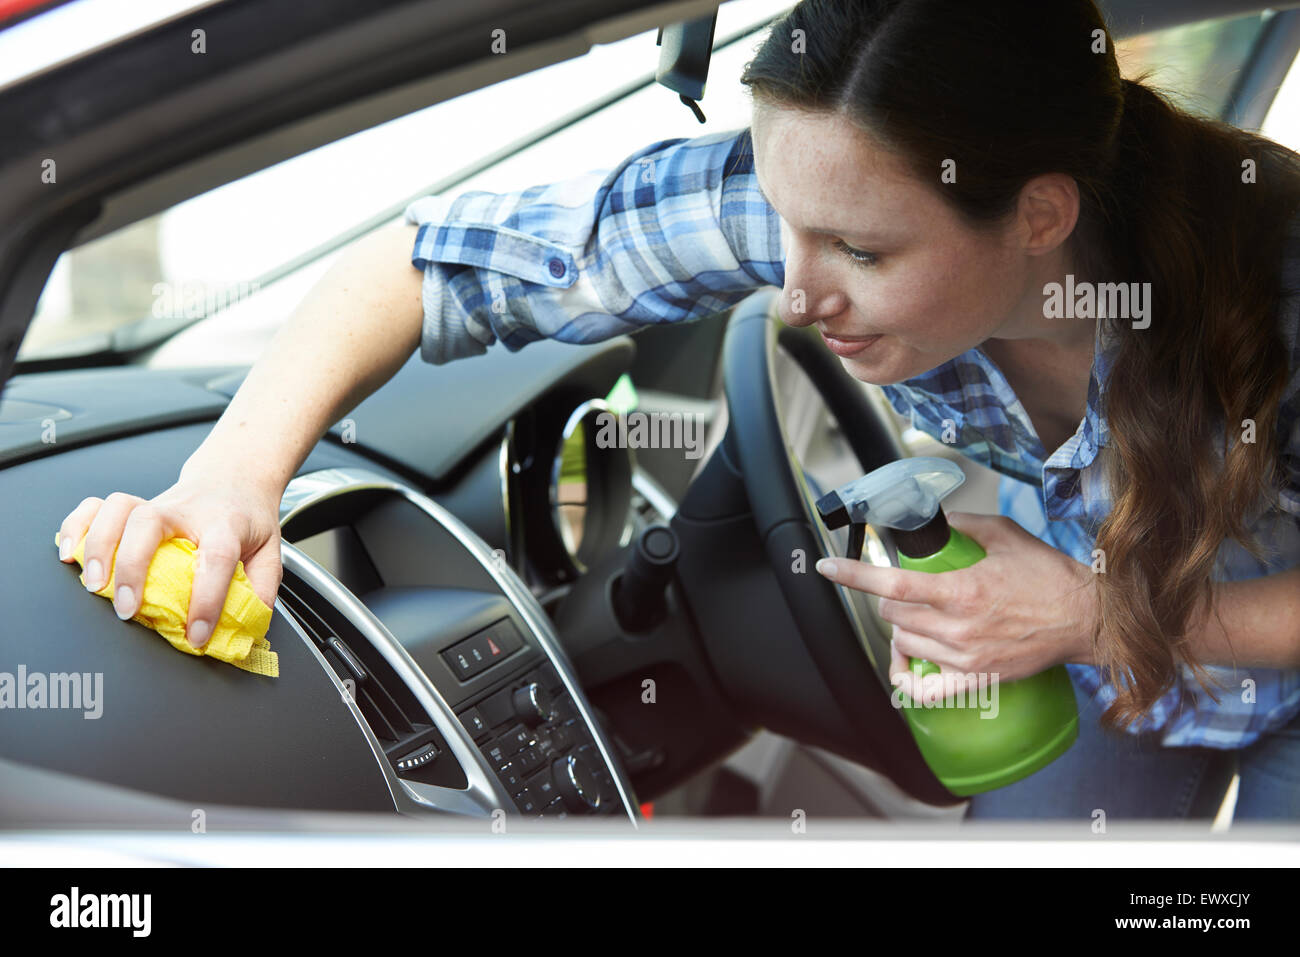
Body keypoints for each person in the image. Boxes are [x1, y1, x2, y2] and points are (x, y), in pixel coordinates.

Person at [56, 0, 1300, 820]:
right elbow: (421, 266)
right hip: (1118, 677)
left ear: (1037, 216)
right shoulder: (820, 195)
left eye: (861, 253)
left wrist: (1093, 610)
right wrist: (233, 477)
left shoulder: (1277, 282)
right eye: (781, 223)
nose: (797, 291)